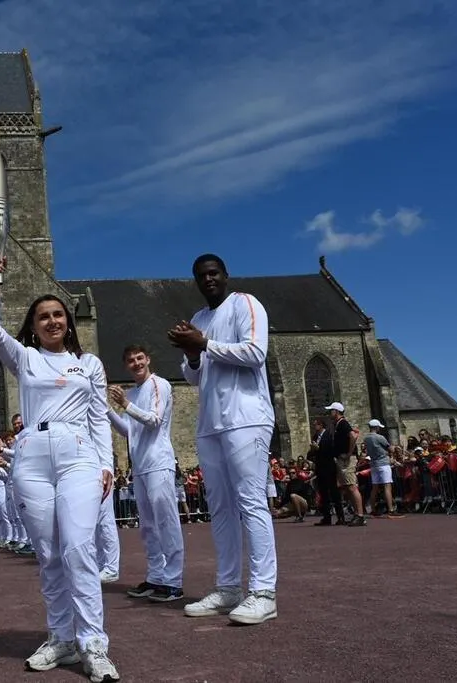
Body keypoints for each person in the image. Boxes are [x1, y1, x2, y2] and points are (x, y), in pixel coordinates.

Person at [0, 255, 120, 683]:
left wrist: (107, 464)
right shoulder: (24, 358)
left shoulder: (90, 364)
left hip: (78, 452)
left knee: (79, 547)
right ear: (33, 324)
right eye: (43, 316)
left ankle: (93, 643)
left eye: (58, 314)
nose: (52, 321)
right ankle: (61, 637)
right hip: (32, 458)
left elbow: (99, 416)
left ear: (69, 321)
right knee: (48, 553)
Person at [167, 253, 278, 626]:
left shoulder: (246, 303)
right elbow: (195, 377)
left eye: (214, 273)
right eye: (201, 275)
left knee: (250, 501)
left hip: (246, 417)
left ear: (226, 275)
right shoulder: (199, 319)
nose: (208, 279)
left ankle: (263, 591)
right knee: (221, 507)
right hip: (210, 422)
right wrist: (192, 354)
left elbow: (255, 353)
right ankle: (229, 586)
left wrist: (204, 343)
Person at [106, 345, 186, 602]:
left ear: (148, 359)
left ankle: (173, 581)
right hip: (139, 467)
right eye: (131, 360)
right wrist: (107, 409)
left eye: (140, 358)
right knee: (148, 526)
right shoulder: (132, 392)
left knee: (167, 521)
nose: (136, 363)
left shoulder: (159, 385)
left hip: (159, 462)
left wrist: (125, 404)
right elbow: (128, 431)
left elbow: (154, 420)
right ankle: (155, 576)